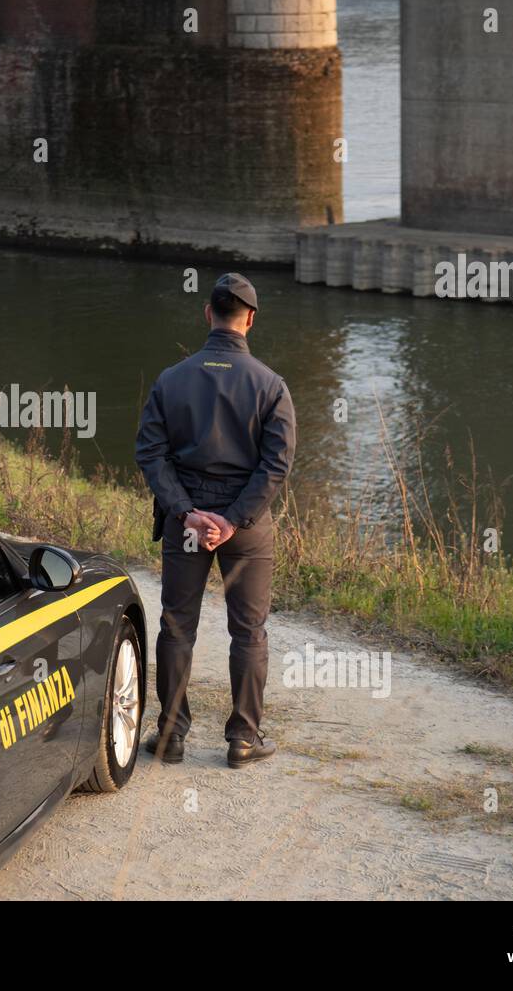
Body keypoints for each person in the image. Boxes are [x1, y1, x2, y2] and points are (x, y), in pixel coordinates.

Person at [135, 273, 296, 768]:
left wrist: (186, 512)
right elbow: (277, 464)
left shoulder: (171, 379)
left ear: (208, 314)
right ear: (249, 319)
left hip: (187, 523)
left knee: (177, 626)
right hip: (245, 529)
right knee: (248, 631)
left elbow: (150, 452)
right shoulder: (271, 386)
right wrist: (231, 520)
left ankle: (170, 736)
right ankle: (244, 739)